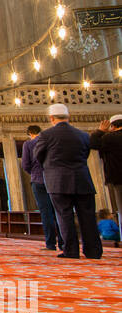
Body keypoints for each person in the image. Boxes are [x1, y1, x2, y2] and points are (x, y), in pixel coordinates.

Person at [33, 103, 102, 260]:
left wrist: (52, 167)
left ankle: (71, 251)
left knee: (64, 216)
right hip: (82, 180)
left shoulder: (46, 135)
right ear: (68, 117)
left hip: (58, 181)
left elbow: (38, 156)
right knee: (88, 217)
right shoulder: (83, 135)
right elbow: (85, 154)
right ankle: (93, 251)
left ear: (51, 118)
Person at [21, 124, 61, 251]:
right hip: (54, 178)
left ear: (30, 134)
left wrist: (34, 172)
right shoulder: (51, 142)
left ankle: (50, 243)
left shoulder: (28, 144)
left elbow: (25, 164)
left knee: (46, 213)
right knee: (59, 211)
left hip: (38, 180)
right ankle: (63, 242)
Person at [89, 114, 122, 236]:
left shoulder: (109, 138)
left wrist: (100, 131)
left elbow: (92, 144)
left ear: (112, 126)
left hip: (118, 178)